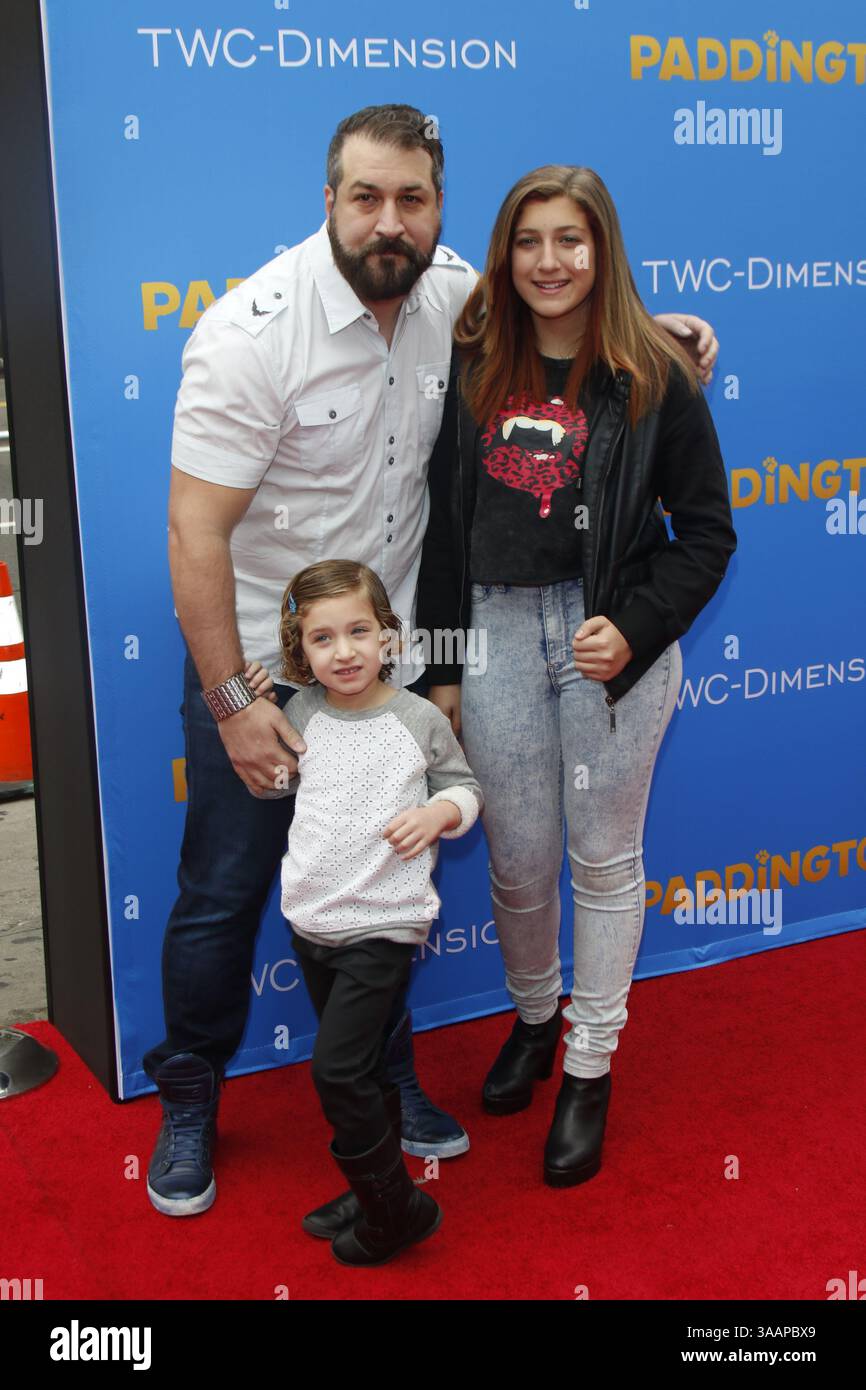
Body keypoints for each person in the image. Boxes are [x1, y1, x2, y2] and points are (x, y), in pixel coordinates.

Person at [144, 102, 721, 1220]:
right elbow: (191, 532)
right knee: (223, 887)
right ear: (328, 200)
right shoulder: (249, 331)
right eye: (365, 196)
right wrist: (231, 702)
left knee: (380, 877)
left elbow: (580, 313)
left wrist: (676, 334)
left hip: (399, 655)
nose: (387, 220)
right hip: (267, 660)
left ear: (438, 210)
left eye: (410, 199)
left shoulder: (455, 293)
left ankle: (389, 1076)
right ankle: (190, 1096)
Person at [417, 164, 737, 1188]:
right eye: (528, 240)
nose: (548, 261)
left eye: (570, 239)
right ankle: (533, 1016)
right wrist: (442, 667)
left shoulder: (655, 375)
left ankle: (589, 1066)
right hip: (494, 629)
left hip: (610, 645)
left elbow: (705, 536)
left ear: (602, 250)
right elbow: (444, 531)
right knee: (514, 860)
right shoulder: (471, 359)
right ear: (503, 254)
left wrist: (634, 631)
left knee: (601, 860)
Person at [264, 559, 482, 1265]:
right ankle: (371, 1189)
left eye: (360, 631)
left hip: (384, 923)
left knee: (336, 1071)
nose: (346, 650)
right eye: (323, 639)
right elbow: (275, 786)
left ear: (390, 637)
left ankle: (398, 1208)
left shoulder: (416, 718)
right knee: (373, 1070)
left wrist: (438, 814)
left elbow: (464, 786)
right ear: (302, 651)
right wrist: (245, 697)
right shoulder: (301, 714)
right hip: (313, 921)